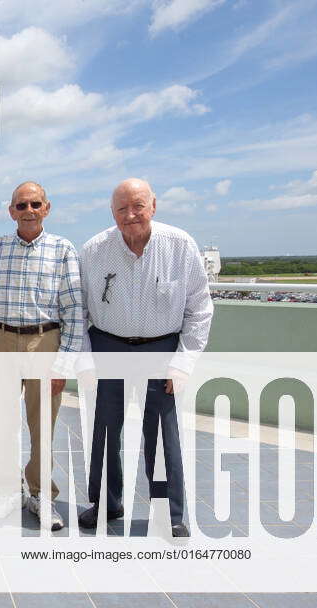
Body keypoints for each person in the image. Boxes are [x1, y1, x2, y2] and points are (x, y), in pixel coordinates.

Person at [77, 178, 213, 538]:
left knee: (162, 434)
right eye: (122, 208)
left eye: (138, 206)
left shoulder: (180, 246)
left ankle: (170, 513)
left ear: (154, 205)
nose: (131, 214)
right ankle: (106, 503)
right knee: (105, 430)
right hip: (107, 346)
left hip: (161, 350)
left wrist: (183, 362)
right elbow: (77, 311)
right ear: (112, 212)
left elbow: (199, 309)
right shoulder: (93, 250)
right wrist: (86, 360)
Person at [0, 181, 84, 529]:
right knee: (4, 424)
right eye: (21, 206)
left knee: (42, 427)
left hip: (44, 343)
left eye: (35, 204)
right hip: (2, 340)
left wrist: (64, 362)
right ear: (11, 212)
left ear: (47, 208)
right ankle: (9, 492)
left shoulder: (63, 249)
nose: (29, 211)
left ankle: (41, 495)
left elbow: (74, 309)